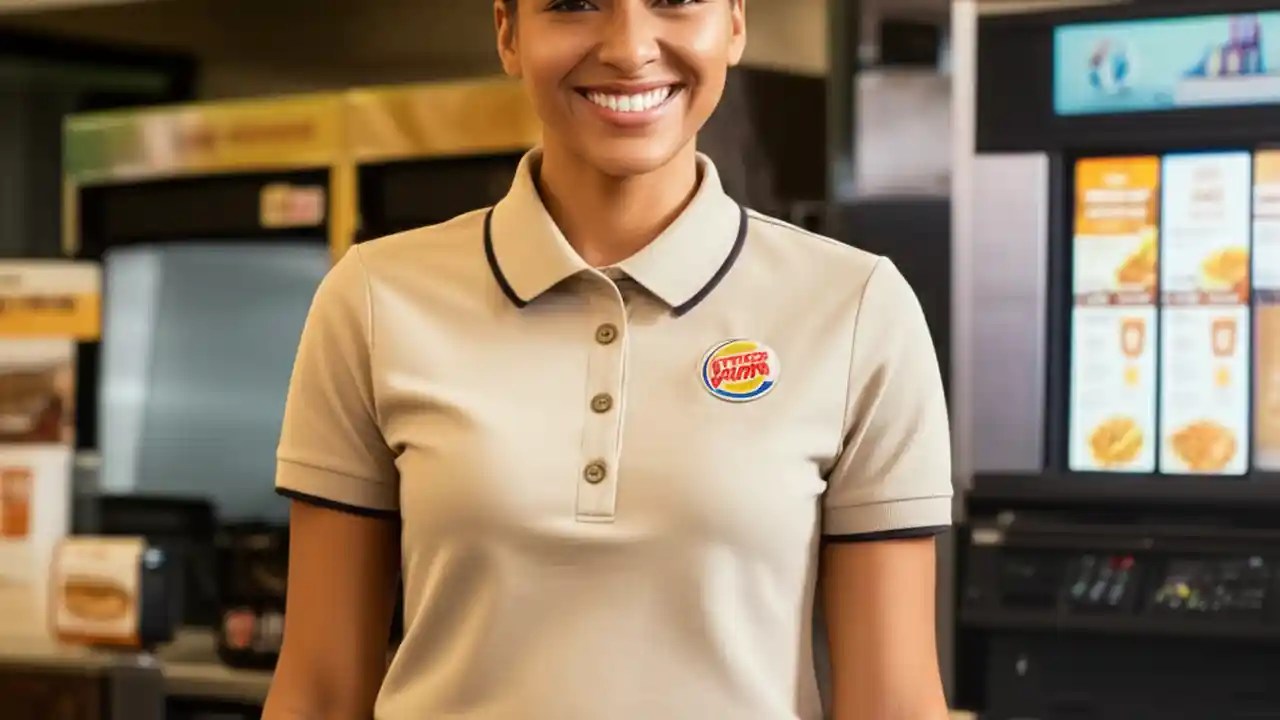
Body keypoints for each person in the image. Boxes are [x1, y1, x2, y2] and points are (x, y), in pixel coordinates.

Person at [262, 1, 954, 718]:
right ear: (507, 31)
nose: (629, 48)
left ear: (736, 22)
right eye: (573, 3)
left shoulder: (858, 308)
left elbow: (894, 702)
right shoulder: (373, 299)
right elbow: (318, 689)